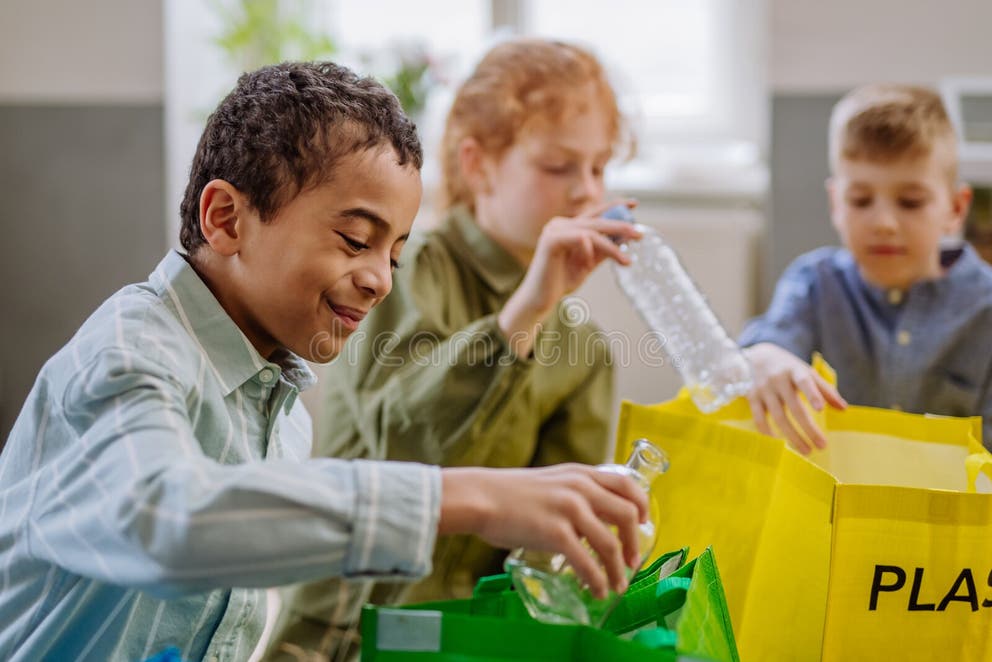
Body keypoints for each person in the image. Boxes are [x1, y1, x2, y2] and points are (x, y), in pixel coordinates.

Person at [0, 61, 649, 662]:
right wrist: (466, 495)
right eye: (355, 241)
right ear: (226, 219)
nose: (380, 281)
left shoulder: (279, 414)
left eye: (391, 255)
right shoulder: (126, 353)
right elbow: (165, 517)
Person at [269, 39, 639, 659]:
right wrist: (525, 311)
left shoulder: (583, 348)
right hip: (347, 624)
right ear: (478, 165)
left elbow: (550, 549)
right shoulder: (403, 270)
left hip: (470, 637)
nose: (586, 191)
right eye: (558, 167)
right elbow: (400, 441)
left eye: (599, 168)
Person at [740, 83, 992, 454]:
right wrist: (764, 356)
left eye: (910, 202)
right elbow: (765, 346)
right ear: (835, 203)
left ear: (955, 208)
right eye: (860, 200)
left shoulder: (985, 309)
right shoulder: (813, 284)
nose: (883, 223)